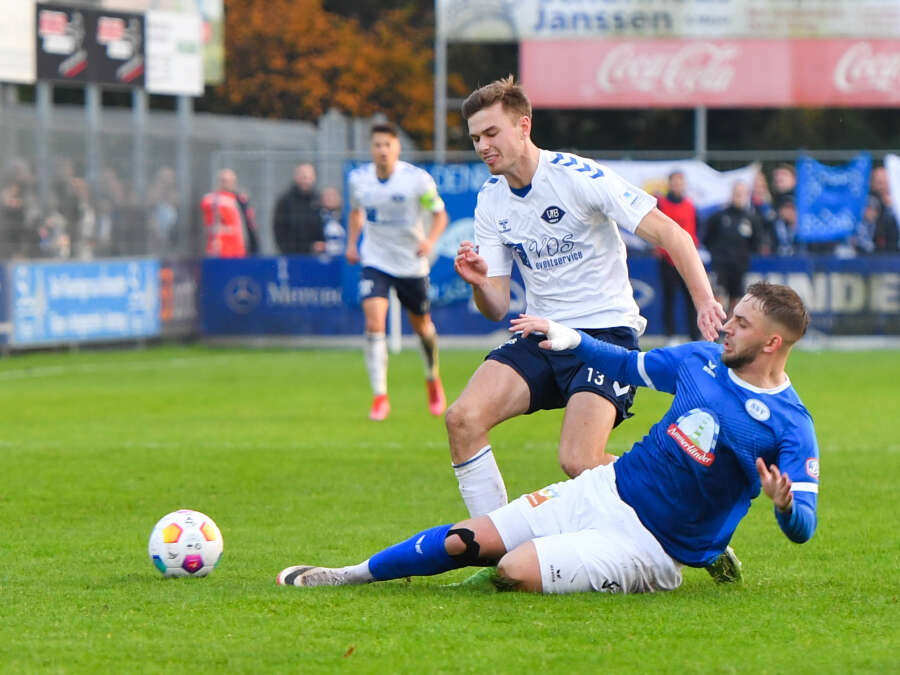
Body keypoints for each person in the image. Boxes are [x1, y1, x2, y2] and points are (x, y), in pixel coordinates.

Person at [277, 282, 818, 594]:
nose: (726, 326)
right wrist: (569, 338)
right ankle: (347, 576)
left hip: (648, 547)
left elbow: (804, 528)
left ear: (772, 343)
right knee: (464, 544)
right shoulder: (701, 360)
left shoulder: (791, 426)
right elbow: (628, 365)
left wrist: (785, 506)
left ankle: (707, 551)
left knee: (513, 570)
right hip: (603, 489)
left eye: (741, 324)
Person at [447, 76, 724, 524]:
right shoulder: (491, 201)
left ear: (523, 126)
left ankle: (689, 515)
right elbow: (497, 307)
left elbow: (672, 233)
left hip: (604, 334)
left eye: (491, 133)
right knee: (462, 419)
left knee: (579, 461)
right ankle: (495, 544)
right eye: (476, 137)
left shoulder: (578, 176)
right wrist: (480, 283)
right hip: (541, 332)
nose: (482, 146)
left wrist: (705, 302)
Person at [346, 122, 449, 421]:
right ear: (371, 149)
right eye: (377, 145)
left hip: (410, 263)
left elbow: (440, 215)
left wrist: (429, 241)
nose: (382, 151)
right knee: (374, 323)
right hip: (375, 260)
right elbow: (356, 212)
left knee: (422, 328)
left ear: (397, 148)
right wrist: (353, 243)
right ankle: (380, 396)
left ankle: (432, 378)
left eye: (387, 145)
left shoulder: (417, 180)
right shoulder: (358, 180)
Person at [655, 170, 701, 343]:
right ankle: (671, 335)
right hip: (667, 259)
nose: (677, 185)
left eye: (680, 182)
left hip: (687, 258)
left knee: (691, 298)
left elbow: (695, 230)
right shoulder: (662, 204)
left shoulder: (690, 205)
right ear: (670, 184)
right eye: (674, 182)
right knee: (669, 298)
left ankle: (694, 335)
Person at [703, 181, 762, 315]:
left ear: (747, 196)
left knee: (737, 297)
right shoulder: (719, 217)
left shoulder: (751, 219)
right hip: (721, 265)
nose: (739, 197)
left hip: (740, 265)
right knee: (719, 295)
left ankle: (731, 327)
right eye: (736, 193)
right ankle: (716, 328)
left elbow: (756, 243)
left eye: (742, 194)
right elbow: (707, 238)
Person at [200, 168, 259, 258]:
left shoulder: (240, 200)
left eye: (230, 181)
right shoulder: (212, 200)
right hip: (219, 251)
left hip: (239, 249)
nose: (227, 184)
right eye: (224, 181)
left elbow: (249, 224)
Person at [273, 163, 325, 255]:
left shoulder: (319, 200)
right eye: (303, 176)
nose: (305, 180)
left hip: (316, 256)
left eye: (308, 176)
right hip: (292, 255)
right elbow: (279, 229)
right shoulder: (285, 201)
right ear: (296, 176)